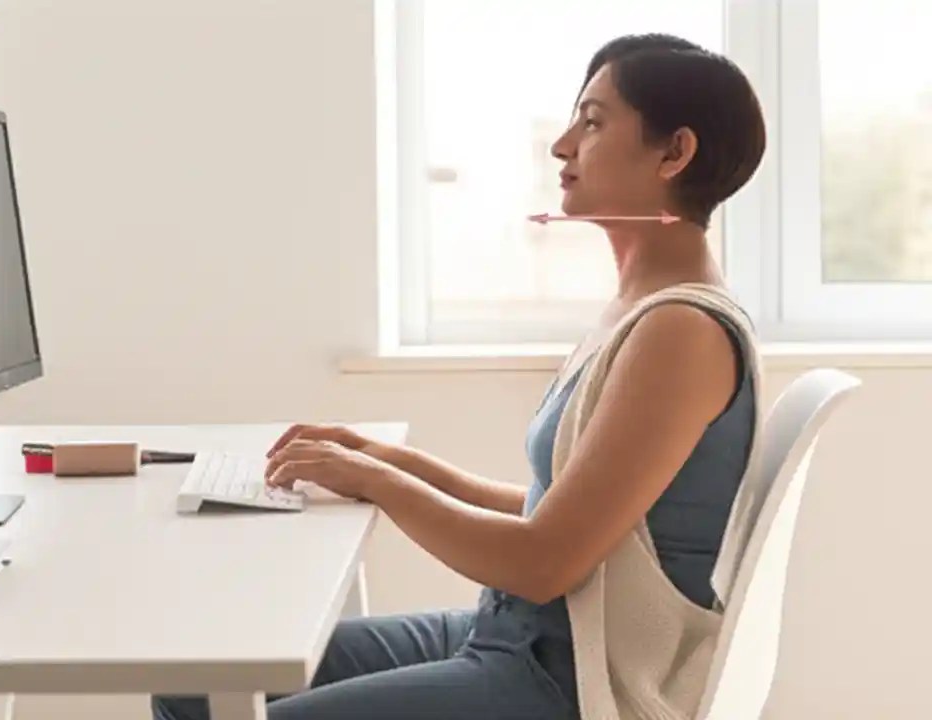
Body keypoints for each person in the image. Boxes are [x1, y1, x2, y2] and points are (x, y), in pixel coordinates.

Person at [153, 32, 766, 720]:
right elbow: (555, 515)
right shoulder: (639, 312)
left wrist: (376, 482)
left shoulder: (680, 333)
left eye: (592, 122)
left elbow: (543, 561)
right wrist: (391, 461)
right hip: (511, 634)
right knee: (194, 686)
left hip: (568, 679)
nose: (563, 145)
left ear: (674, 153)